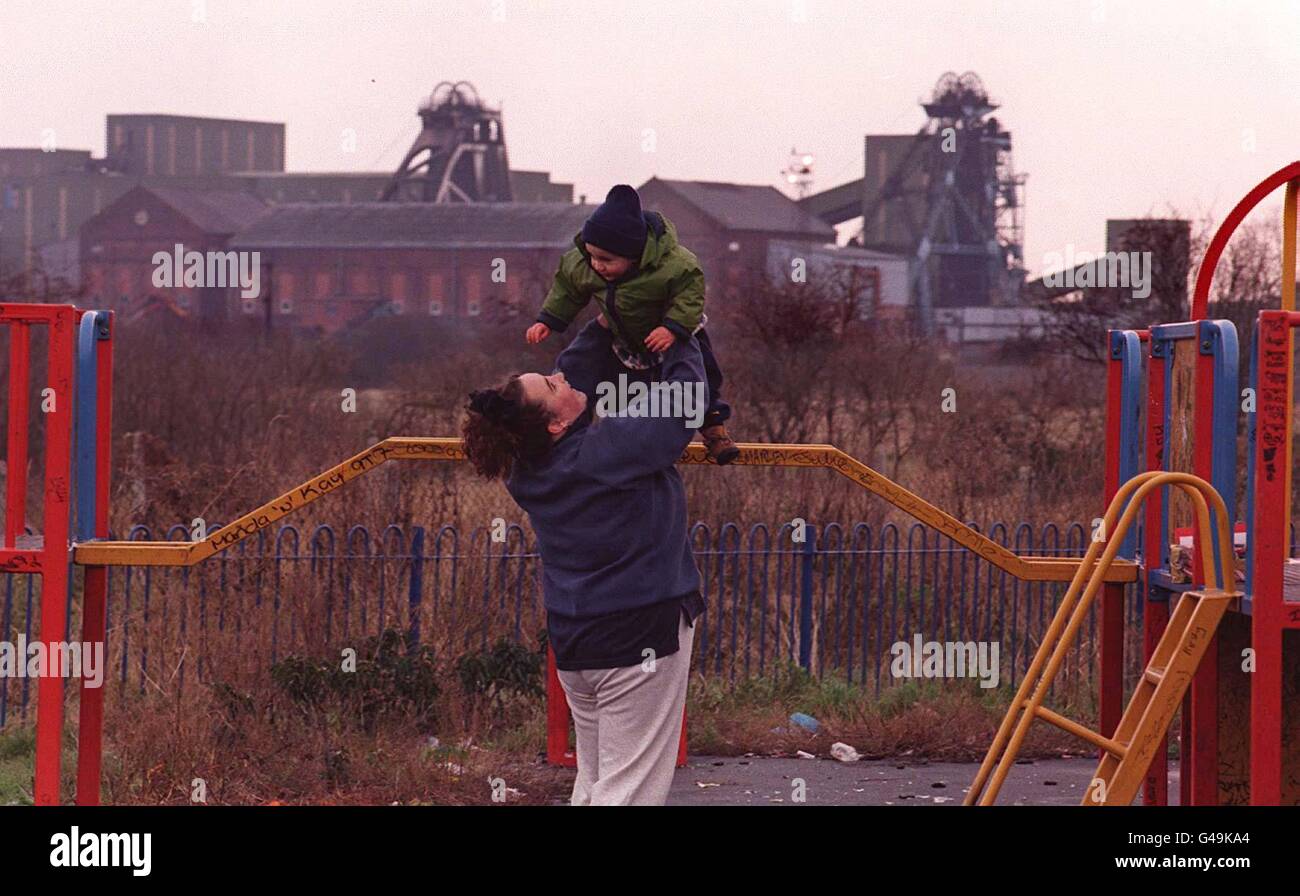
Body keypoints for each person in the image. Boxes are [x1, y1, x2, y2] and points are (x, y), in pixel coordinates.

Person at [462, 315, 707, 805]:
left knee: (596, 779)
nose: (561, 376)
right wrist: (685, 334)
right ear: (556, 422)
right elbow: (684, 404)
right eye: (553, 385)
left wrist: (603, 327)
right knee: (628, 788)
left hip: (577, 643)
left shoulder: (525, 469)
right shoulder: (605, 451)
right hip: (637, 636)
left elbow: (573, 374)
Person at [525, 183, 739, 465]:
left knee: (701, 382)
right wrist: (549, 320)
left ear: (635, 255)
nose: (597, 265)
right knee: (615, 385)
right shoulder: (583, 265)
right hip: (624, 338)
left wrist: (673, 327)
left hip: (675, 333)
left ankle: (714, 431)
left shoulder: (673, 265)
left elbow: (691, 294)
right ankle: (583, 435)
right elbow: (568, 289)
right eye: (591, 255)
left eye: (606, 260)